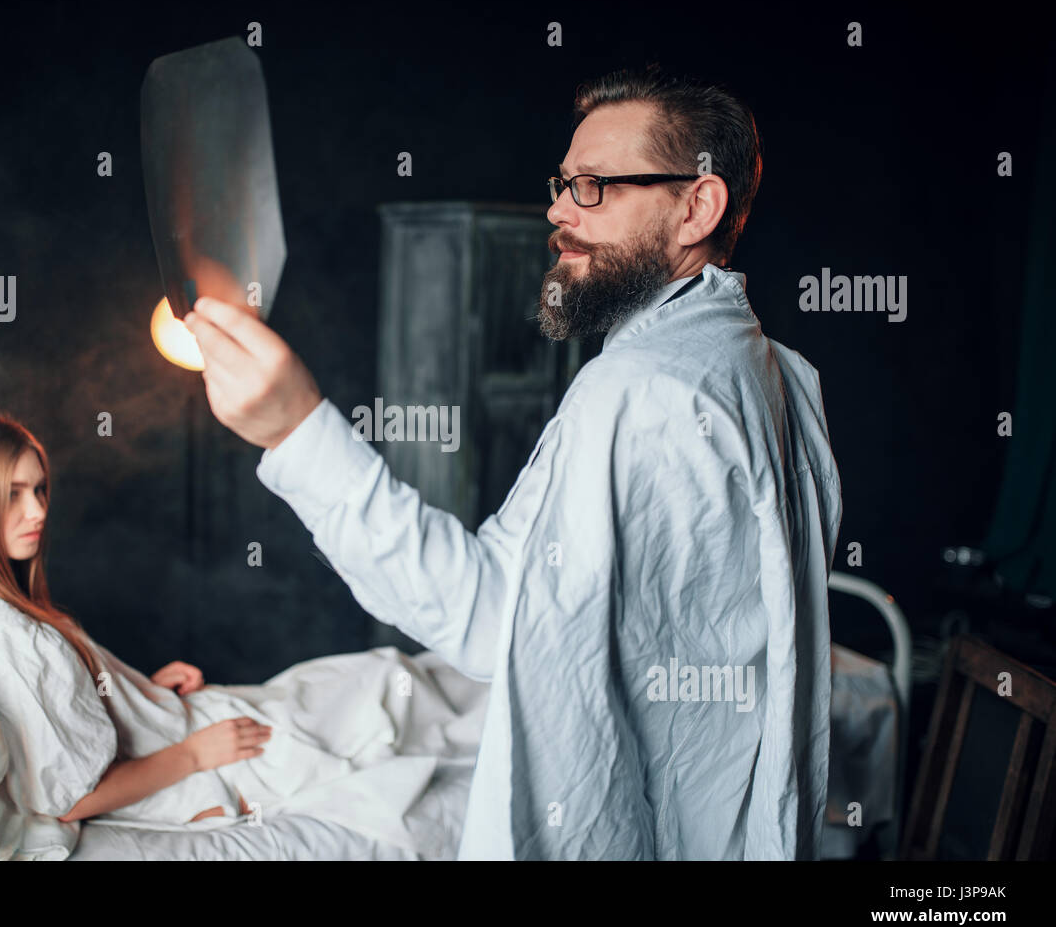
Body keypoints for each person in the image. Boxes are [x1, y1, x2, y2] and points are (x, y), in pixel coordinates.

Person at [183, 64, 843, 859]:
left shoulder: (636, 393)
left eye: (595, 186)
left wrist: (294, 429)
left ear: (696, 206)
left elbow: (493, 616)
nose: (558, 211)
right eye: (564, 183)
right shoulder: (781, 372)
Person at [0, 409, 485, 859]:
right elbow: (71, 799)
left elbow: (59, 715)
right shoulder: (7, 642)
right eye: (13, 494)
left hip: (175, 721)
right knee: (385, 694)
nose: (37, 510)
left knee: (382, 677)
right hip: (192, 756)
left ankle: (510, 685)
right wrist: (194, 755)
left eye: (39, 489)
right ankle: (524, 707)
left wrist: (131, 690)